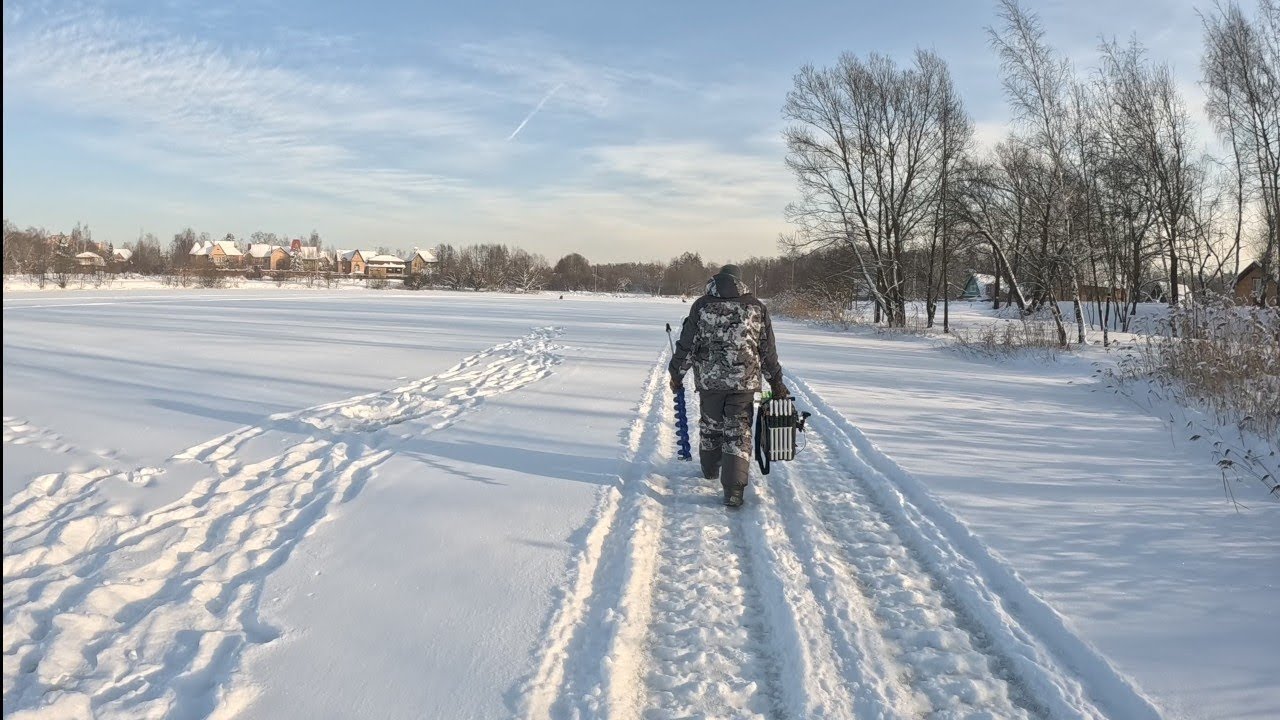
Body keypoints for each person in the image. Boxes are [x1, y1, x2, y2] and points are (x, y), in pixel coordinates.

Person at [669, 264, 787, 507]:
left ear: (716, 280)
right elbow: (766, 350)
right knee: (738, 431)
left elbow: (687, 345)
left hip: (710, 382)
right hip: (744, 382)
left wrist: (676, 374)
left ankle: (711, 470)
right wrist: (776, 382)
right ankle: (734, 490)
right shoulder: (756, 307)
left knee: (711, 425)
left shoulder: (701, 306)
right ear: (740, 281)